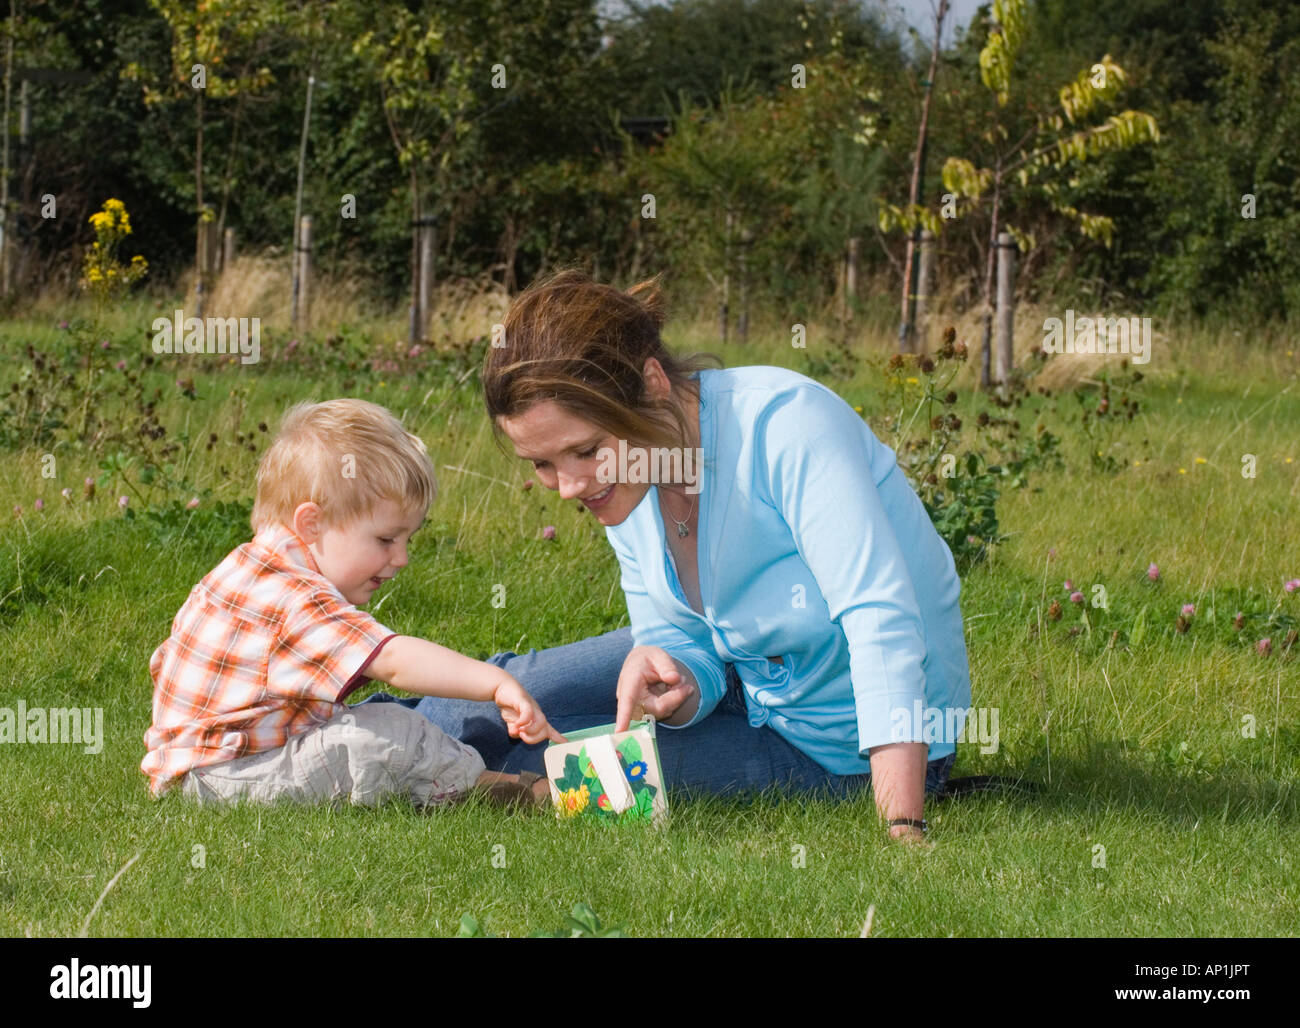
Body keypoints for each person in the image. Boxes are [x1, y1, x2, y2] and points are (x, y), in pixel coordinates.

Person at [411, 270, 974, 843]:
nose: (569, 487)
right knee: (481, 702)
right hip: (741, 672)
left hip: (841, 740)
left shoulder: (785, 427)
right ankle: (330, 726)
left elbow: (880, 616)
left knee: (538, 765)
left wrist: (902, 821)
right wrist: (678, 681)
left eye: (584, 451)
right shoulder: (630, 471)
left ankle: (379, 759)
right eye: (543, 463)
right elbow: (680, 640)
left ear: (652, 384)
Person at [141, 398, 561, 809]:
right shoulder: (296, 597)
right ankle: (504, 792)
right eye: (385, 540)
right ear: (312, 523)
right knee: (390, 730)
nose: (401, 558)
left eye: (406, 540)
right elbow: (395, 661)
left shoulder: (245, 567)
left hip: (197, 772)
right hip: (229, 778)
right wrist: (495, 682)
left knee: (356, 724)